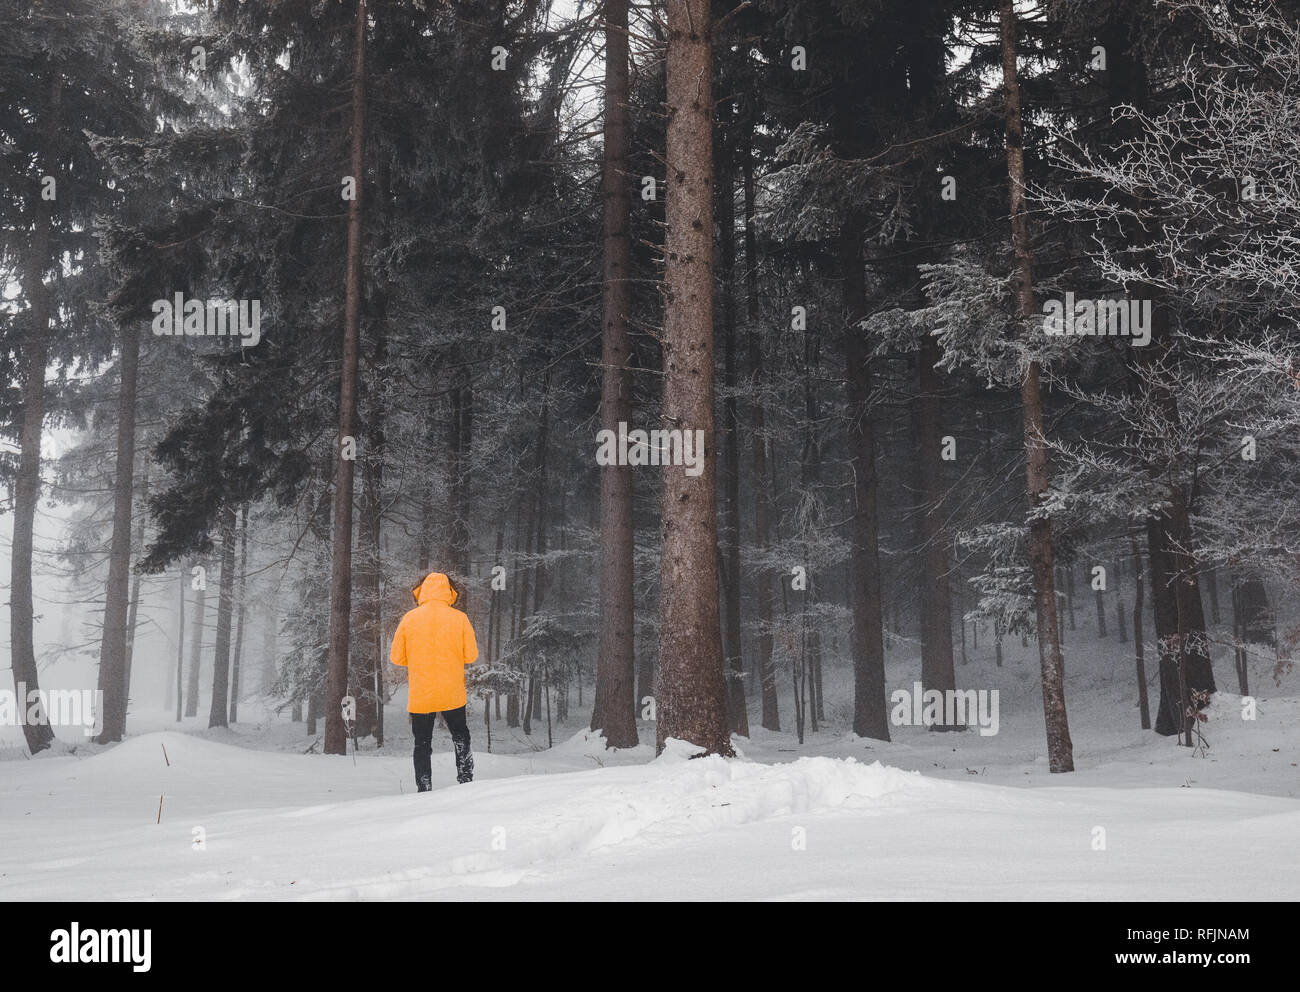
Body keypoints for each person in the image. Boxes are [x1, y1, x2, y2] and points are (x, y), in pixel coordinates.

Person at [389, 571, 478, 790]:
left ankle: (424, 786)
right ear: (450, 592)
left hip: (422, 693)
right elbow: (471, 656)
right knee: (460, 734)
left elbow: (396, 657)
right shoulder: (460, 618)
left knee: (422, 742)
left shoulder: (410, 619)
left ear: (421, 591)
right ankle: (465, 779)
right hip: (452, 691)